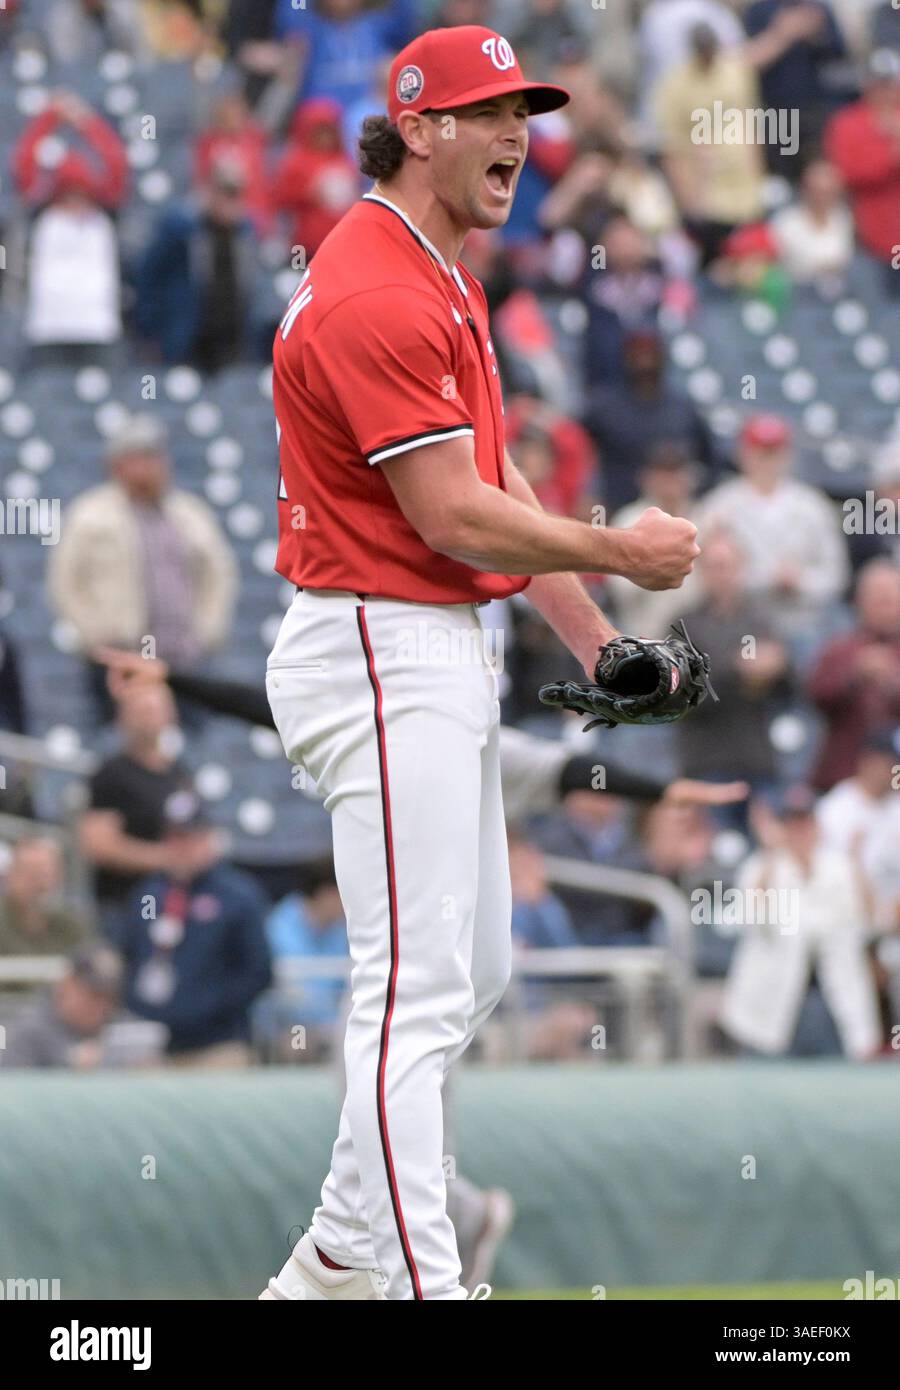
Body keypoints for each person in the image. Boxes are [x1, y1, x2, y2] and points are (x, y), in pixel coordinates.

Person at [259, 24, 700, 1303]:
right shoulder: (383, 287)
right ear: (420, 128)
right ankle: (427, 1285)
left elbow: (488, 477)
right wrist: (618, 545)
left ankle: (344, 1250)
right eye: (490, 112)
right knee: (412, 998)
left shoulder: (436, 266)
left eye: (527, 109)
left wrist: (596, 635)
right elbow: (452, 516)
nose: (519, 133)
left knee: (477, 974)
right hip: (380, 641)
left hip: (431, 640)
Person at [48, 414, 237, 718]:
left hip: (182, 661)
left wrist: (206, 633)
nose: (148, 467)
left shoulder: (190, 514)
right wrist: (95, 636)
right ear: (117, 466)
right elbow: (66, 581)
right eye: (138, 458)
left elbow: (219, 575)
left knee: (187, 747)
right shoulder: (90, 515)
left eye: (154, 457)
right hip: (121, 659)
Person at [720, 786, 881, 1059]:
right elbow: (752, 917)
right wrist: (770, 852)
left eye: (805, 821)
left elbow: (868, 923)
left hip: (832, 1008)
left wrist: (857, 861)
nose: (800, 830)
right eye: (792, 823)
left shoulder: (839, 867)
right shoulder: (760, 866)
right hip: (771, 1011)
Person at [113, 792, 272, 1068]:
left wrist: (204, 1007)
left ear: (209, 837)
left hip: (218, 1043)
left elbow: (258, 971)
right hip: (153, 1043)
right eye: (173, 837)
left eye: (189, 837)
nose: (180, 847)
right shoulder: (148, 894)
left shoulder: (237, 894)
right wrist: (141, 1006)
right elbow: (128, 956)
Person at [697, 413, 849, 665]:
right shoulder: (719, 506)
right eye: (759, 451)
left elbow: (835, 574)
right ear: (743, 453)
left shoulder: (812, 505)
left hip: (804, 621)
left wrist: (801, 581)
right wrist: (767, 579)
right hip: (740, 623)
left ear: (787, 455)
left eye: (773, 451)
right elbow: (706, 573)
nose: (766, 460)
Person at [78, 681, 194, 926]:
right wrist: (165, 859)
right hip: (125, 903)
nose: (149, 719)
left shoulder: (179, 772)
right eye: (142, 711)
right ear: (123, 717)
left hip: (173, 902)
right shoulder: (111, 774)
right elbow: (98, 845)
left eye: (155, 710)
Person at [654, 23, 765, 267]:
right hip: (706, 193)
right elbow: (672, 148)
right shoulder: (675, 84)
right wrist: (691, 205)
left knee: (751, 263)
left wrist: (758, 178)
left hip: (744, 191)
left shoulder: (736, 72)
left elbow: (751, 122)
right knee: (714, 268)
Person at [807, 560, 900, 790]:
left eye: (890, 600)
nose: (885, 607)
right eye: (878, 599)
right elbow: (816, 696)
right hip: (845, 776)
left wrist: (893, 681)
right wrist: (854, 677)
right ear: (860, 602)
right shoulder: (840, 650)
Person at [0, 943, 156, 1069]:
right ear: (66, 985)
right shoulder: (26, 1030)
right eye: (94, 995)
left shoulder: (124, 1027)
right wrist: (67, 1069)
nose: (102, 1006)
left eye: (110, 998)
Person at [824, 48, 900, 285]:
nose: (884, 91)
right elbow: (847, 172)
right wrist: (891, 157)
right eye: (878, 83)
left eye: (889, 83)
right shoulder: (848, 122)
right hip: (871, 235)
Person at [769, 157, 855, 284]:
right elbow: (776, 267)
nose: (823, 198)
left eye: (829, 192)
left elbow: (847, 260)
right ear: (805, 190)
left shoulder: (843, 218)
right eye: (818, 192)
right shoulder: (785, 222)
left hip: (838, 288)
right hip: (797, 290)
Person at [0, 838, 89, 957]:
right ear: (10, 875)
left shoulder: (70, 920)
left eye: (45, 875)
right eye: (30, 874)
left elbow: (99, 958)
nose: (39, 885)